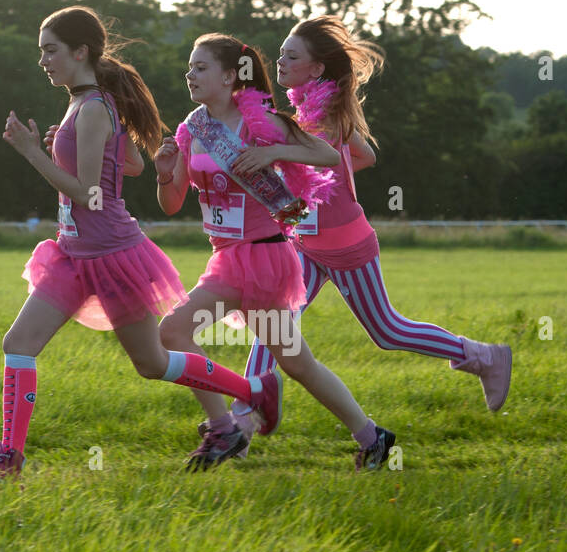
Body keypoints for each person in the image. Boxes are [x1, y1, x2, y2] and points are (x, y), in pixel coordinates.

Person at [0, 6, 282, 480]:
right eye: (41, 52)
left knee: (152, 362)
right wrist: (61, 147)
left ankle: (253, 391)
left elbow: (88, 193)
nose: (43, 61)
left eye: (50, 51)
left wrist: (30, 152)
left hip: (110, 254)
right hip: (71, 253)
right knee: (19, 342)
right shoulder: (87, 104)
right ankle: (8, 459)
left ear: (80, 52)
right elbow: (130, 165)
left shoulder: (90, 108)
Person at [226, 16, 512, 447]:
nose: (280, 60)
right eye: (281, 53)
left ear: (317, 68)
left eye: (291, 55)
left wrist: (278, 154)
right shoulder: (306, 107)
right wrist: (327, 183)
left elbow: (326, 151)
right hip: (304, 243)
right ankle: (242, 420)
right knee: (274, 323)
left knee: (387, 332)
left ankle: (482, 357)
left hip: (345, 245)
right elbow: (363, 155)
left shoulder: (328, 109)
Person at [155, 32, 396, 470]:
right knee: (299, 364)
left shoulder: (260, 122)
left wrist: (274, 153)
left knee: (172, 332)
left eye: (200, 67)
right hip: (230, 255)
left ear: (230, 76)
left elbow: (326, 154)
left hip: (261, 257)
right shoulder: (192, 129)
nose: (190, 74)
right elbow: (171, 204)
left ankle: (225, 425)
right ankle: (372, 435)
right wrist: (164, 174)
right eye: (189, 67)